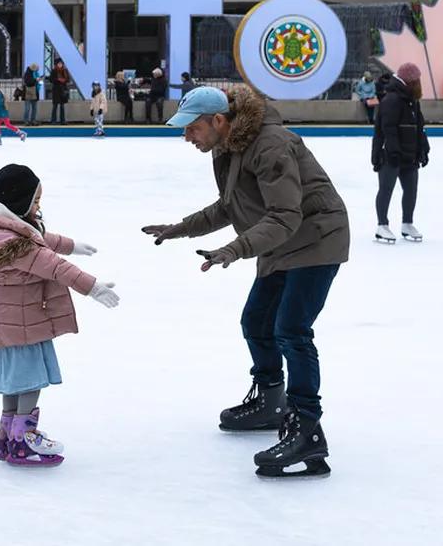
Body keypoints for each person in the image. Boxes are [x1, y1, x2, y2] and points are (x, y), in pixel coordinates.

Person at [141, 85, 350, 479]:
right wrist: (180, 228)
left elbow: (285, 215)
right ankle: (272, 402)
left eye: (192, 128)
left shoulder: (270, 145)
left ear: (218, 121)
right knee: (256, 321)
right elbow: (230, 205)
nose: (186, 137)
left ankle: (307, 430)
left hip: (317, 238)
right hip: (281, 241)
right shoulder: (227, 147)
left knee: (291, 329)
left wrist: (234, 249)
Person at [0, 163, 118, 467]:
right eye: (34, 201)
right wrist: (94, 288)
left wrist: (72, 245)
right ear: (18, 201)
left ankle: (7, 434)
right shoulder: (18, 247)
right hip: (23, 323)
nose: (38, 206)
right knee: (29, 381)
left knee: (14, 382)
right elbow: (56, 266)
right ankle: (23, 440)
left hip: (7, 323)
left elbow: (42, 238)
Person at [372, 63, 429, 244]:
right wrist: (393, 151)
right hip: (391, 155)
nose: (419, 83)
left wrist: (423, 148)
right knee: (386, 189)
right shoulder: (392, 100)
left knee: (411, 190)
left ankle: (407, 223)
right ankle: (382, 225)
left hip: (410, 155)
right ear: (408, 81)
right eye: (417, 80)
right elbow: (387, 129)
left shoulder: (412, 101)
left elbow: (419, 127)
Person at [47, 59, 70, 124]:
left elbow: (68, 79)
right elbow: (51, 79)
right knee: (55, 106)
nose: (60, 65)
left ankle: (63, 120)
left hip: (63, 90)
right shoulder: (54, 71)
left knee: (62, 106)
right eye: (59, 64)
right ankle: (53, 120)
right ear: (56, 64)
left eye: (61, 64)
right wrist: (57, 80)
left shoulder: (65, 71)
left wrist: (63, 80)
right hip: (56, 90)